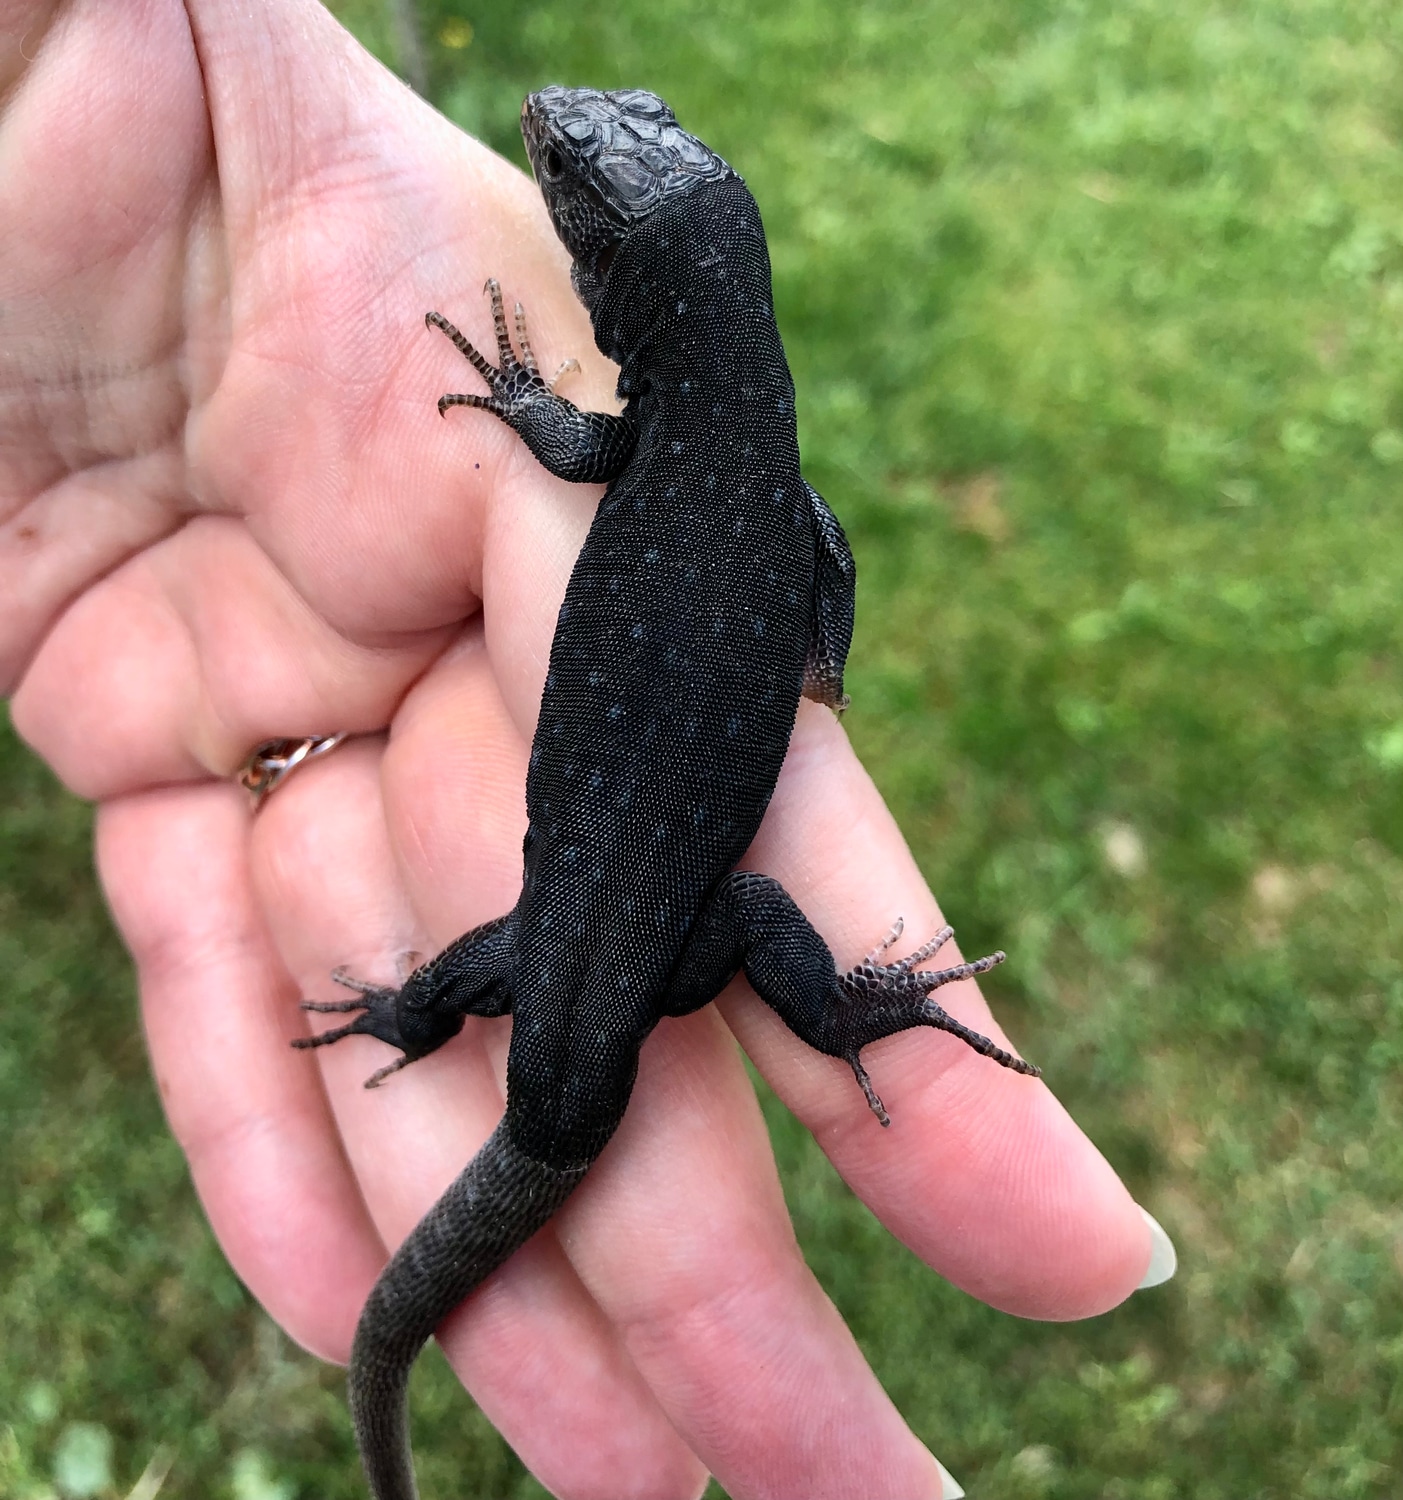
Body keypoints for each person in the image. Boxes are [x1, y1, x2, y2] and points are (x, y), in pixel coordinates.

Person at [0, 2, 1172, 1496]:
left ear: (627, 282)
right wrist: (816, 667)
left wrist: (525, 399)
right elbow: (828, 555)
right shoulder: (749, 435)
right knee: (718, 923)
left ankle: (416, 1027)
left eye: (576, 189)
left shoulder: (653, 424)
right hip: (602, 946)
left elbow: (585, 443)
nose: (557, 136)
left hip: (586, 961)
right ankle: (848, 1011)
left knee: (689, 929)